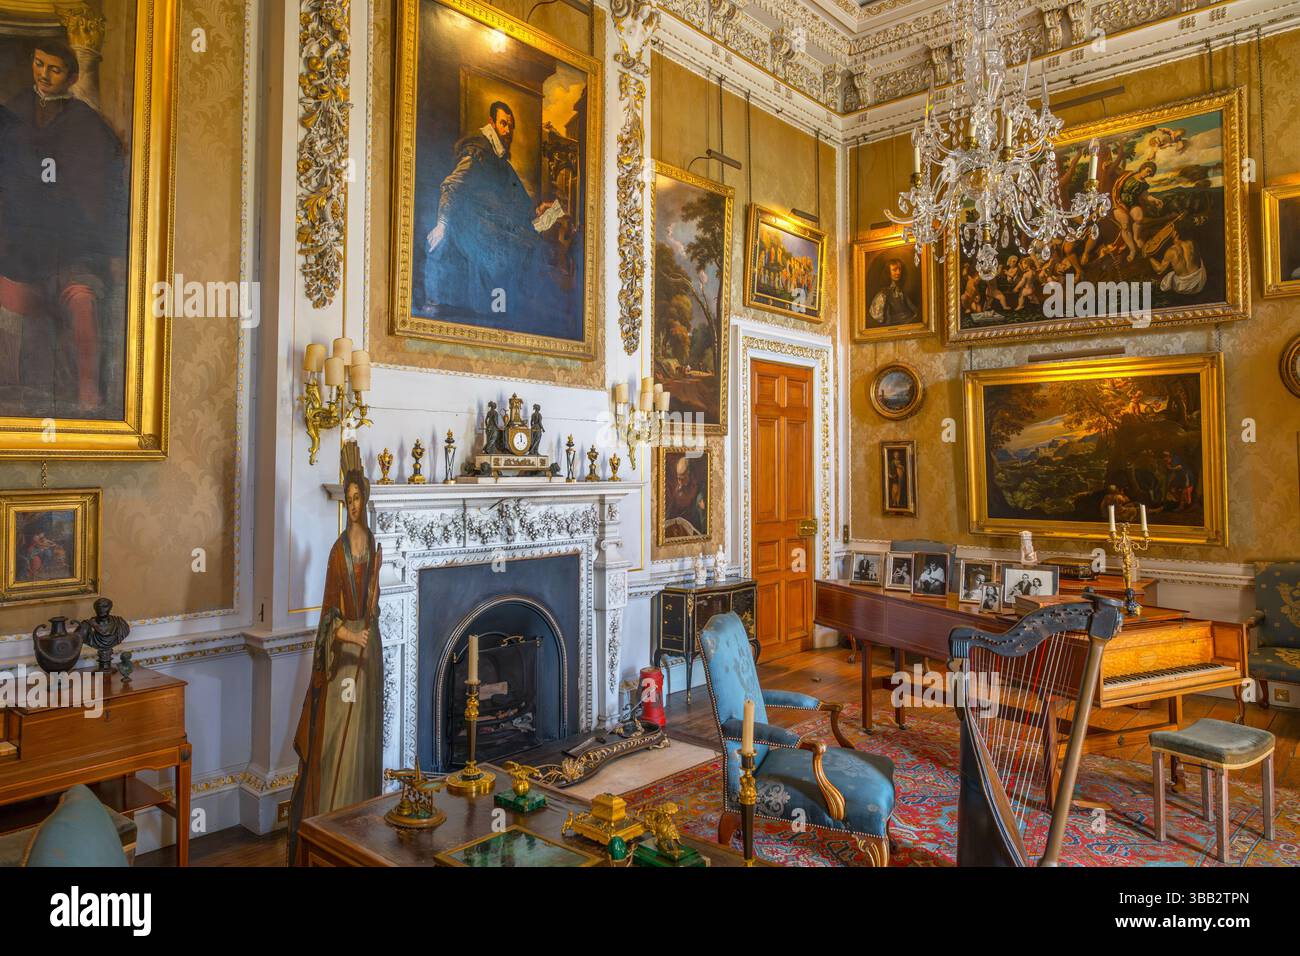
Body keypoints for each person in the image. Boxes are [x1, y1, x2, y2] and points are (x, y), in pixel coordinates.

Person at [0, 39, 128, 413]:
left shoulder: (86, 122)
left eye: (54, 69)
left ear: (71, 78)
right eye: (39, 64)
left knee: (80, 298)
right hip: (20, 246)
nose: (43, 73)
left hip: (73, 244)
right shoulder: (14, 111)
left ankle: (88, 395)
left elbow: (105, 186)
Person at [287, 446, 384, 865]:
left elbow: (374, 599)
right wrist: (349, 635)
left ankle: (362, 823)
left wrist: (372, 617)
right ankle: (329, 826)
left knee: (364, 738)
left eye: (358, 498)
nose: (353, 505)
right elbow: (328, 615)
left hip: (370, 652)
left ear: (366, 499)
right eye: (348, 500)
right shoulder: (336, 551)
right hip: (345, 653)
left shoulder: (375, 544)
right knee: (334, 740)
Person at [423, 101, 563, 318]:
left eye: (511, 126)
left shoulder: (501, 162)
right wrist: (442, 224)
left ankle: (520, 311)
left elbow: (514, 206)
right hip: (476, 229)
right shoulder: (477, 152)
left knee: (534, 247)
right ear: (492, 123)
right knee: (514, 254)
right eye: (503, 123)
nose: (507, 131)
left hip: (496, 228)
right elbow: (452, 185)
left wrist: (539, 212)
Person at [664, 455, 707, 539]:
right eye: (678, 478)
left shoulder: (700, 496)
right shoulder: (678, 491)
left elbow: (703, 530)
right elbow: (668, 517)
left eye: (682, 479)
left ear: (690, 476)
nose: (679, 483)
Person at [868, 258, 918, 326]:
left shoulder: (901, 292)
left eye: (899, 269)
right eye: (894, 270)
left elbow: (914, 311)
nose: (898, 272)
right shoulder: (882, 295)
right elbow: (878, 317)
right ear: (888, 273)